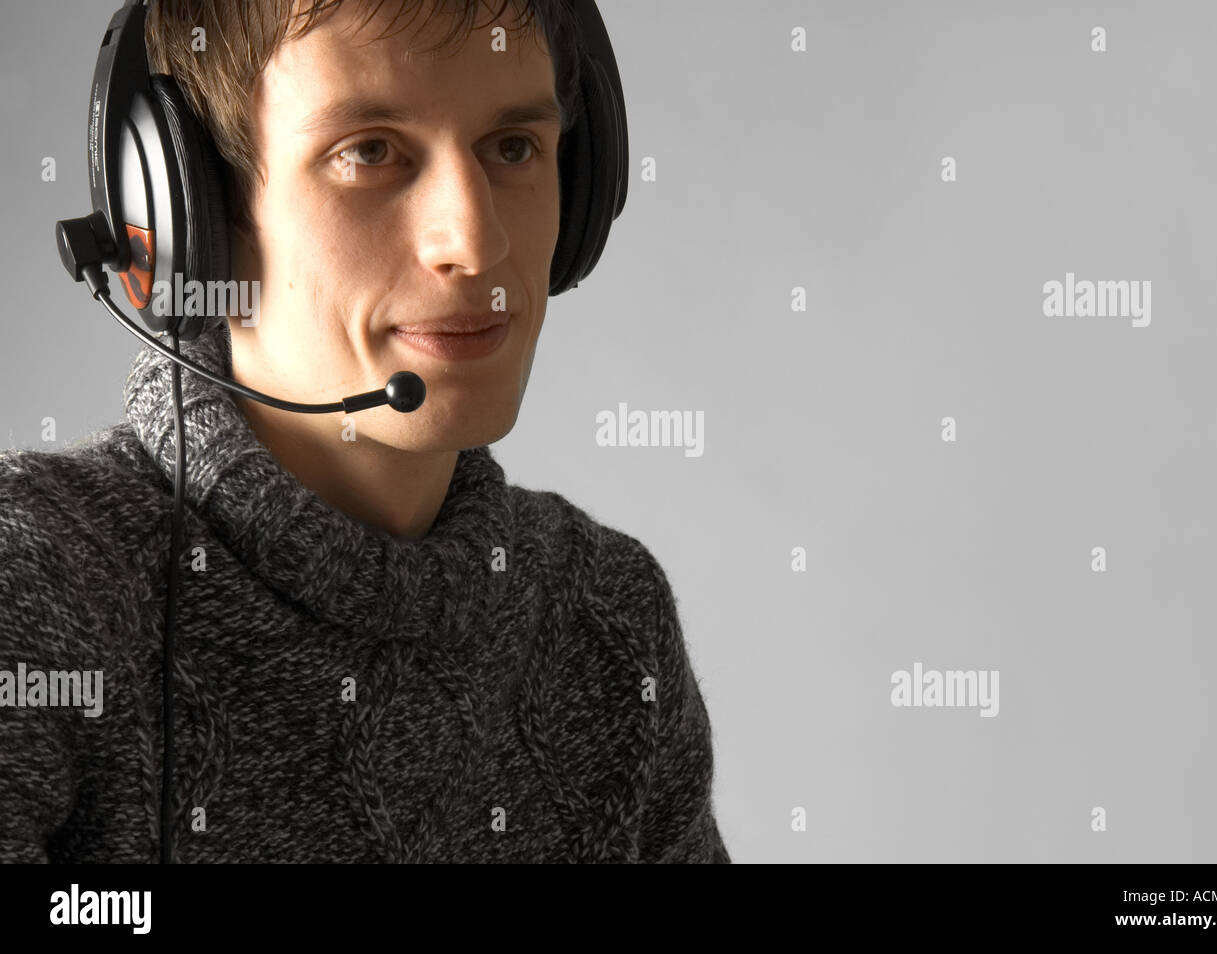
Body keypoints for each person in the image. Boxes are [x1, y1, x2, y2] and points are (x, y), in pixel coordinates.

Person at [0, 0, 729, 863]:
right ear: (183, 210)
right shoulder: (35, 585)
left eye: (512, 147)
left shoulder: (610, 615)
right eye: (370, 152)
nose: (476, 241)